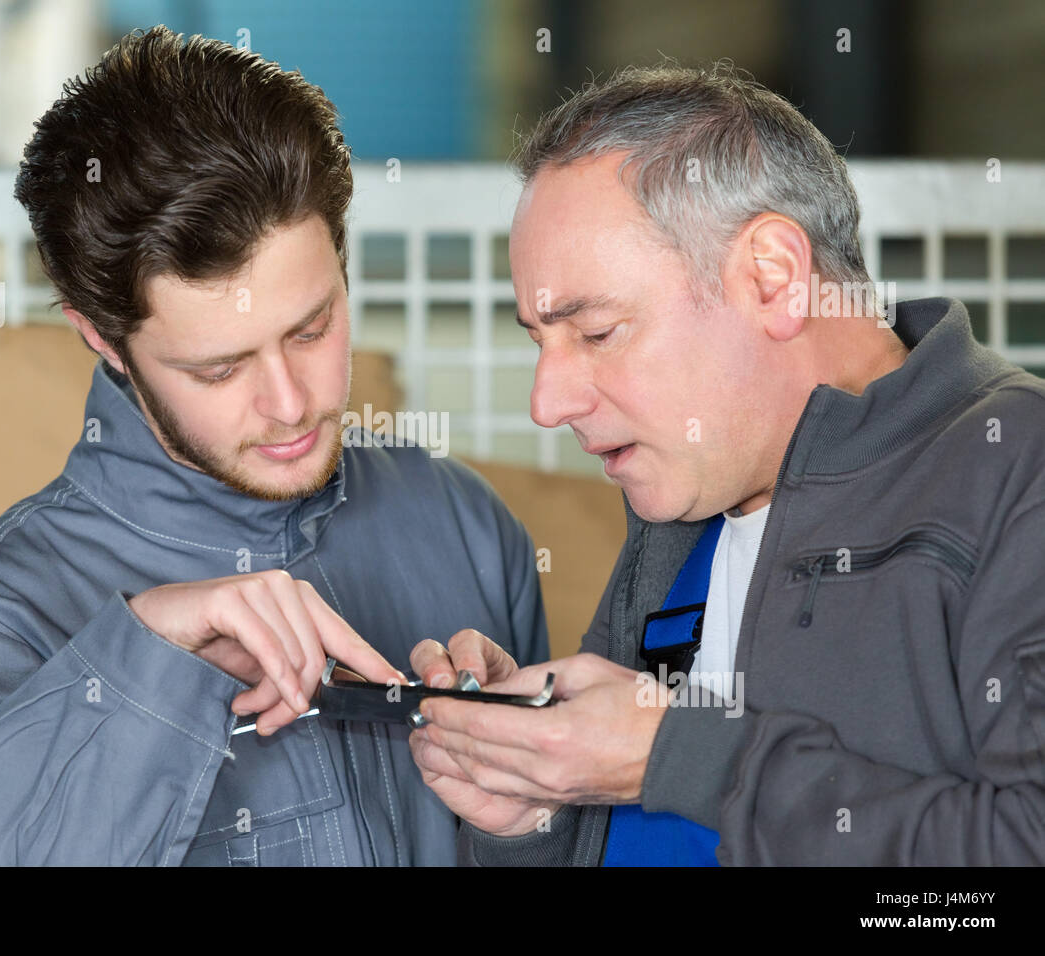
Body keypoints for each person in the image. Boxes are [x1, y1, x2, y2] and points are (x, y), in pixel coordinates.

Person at [0, 27, 548, 866]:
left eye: (313, 327)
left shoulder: (464, 527)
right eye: (219, 369)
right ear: (102, 339)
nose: (291, 404)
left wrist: (530, 823)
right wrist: (147, 665)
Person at [407, 62, 1045, 865]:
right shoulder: (680, 506)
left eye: (597, 332)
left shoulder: (1018, 474)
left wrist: (682, 756)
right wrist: (533, 812)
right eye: (540, 342)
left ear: (773, 277)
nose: (547, 402)